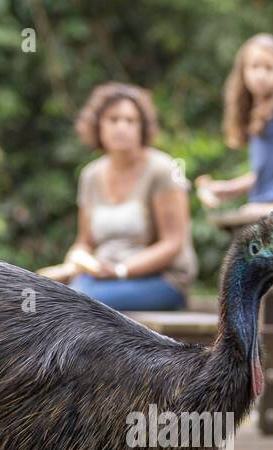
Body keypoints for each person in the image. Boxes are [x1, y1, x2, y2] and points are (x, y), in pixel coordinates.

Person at [45, 83, 197, 312]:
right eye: (113, 120)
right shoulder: (91, 175)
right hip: (103, 278)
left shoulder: (163, 169)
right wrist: (74, 261)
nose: (121, 127)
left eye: (130, 120)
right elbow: (85, 241)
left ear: (142, 127)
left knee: (76, 304)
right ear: (98, 126)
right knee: (45, 296)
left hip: (162, 281)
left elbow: (173, 243)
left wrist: (121, 270)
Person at [196, 33, 273, 216]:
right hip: (263, 210)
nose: (261, 74)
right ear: (243, 72)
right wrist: (228, 189)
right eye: (254, 67)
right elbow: (269, 174)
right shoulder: (260, 113)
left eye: (269, 68)